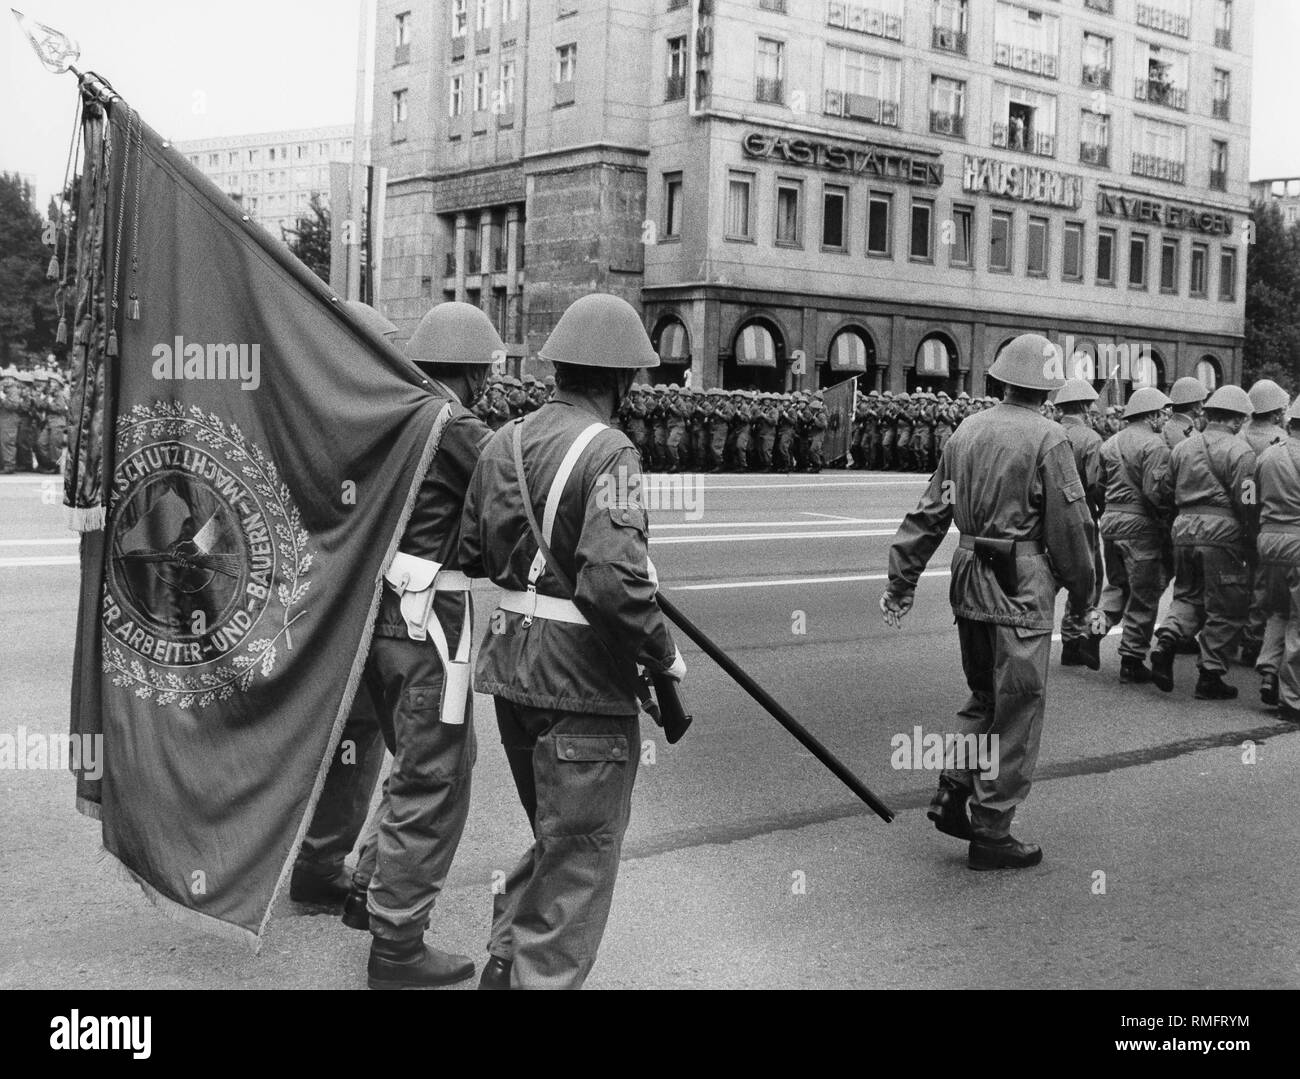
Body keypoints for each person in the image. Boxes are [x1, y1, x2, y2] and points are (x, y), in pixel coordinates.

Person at [460, 293, 685, 990]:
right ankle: (533, 975)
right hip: (581, 683)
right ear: (621, 380)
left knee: (560, 839)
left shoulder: (502, 440)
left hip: (511, 670)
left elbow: (472, 550)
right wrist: (665, 654)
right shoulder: (609, 448)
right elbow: (613, 583)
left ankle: (504, 958)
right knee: (582, 854)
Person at [880, 333, 1098, 870]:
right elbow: (1070, 525)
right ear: (1046, 388)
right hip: (1020, 583)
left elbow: (930, 511)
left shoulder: (966, 431)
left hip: (970, 574)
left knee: (982, 696)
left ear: (1000, 379)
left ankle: (954, 785)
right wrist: (1084, 591)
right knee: (1019, 707)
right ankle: (993, 830)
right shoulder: (1050, 438)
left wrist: (901, 581)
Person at [290, 302, 399, 911]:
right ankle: (324, 860)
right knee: (362, 736)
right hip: (355, 605)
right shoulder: (374, 417)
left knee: (328, 739)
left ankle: (313, 856)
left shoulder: (303, 405)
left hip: (305, 602)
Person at [1146, 385, 1255, 700]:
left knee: (1188, 595)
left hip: (1183, 528)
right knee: (1226, 605)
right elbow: (1247, 500)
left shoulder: (1183, 448)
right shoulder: (1240, 451)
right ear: (1235, 420)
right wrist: (1250, 536)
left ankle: (1166, 641)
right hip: (1222, 533)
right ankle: (1210, 674)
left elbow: (1165, 490)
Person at [1098, 387, 1174, 684]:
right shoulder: (1155, 446)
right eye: (1163, 414)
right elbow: (1156, 494)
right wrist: (1167, 519)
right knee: (1144, 595)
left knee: (1115, 587)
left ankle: (1087, 634)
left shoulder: (1110, 443)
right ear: (1152, 415)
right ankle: (1131, 660)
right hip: (1140, 525)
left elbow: (1097, 484)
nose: (1165, 419)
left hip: (1111, 521)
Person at [1254, 396, 1300, 723]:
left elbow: (1250, 495)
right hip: (1298, 540)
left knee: (1277, 610)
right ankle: (1292, 699)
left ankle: (1268, 671)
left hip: (1268, 540)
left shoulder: (1268, 453)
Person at [1055, 378, 1106, 670]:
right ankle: (1072, 640)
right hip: (1080, 514)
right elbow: (1096, 482)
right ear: (1085, 407)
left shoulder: (1048, 431)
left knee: (1049, 576)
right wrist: (1098, 507)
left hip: (1046, 514)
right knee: (1087, 578)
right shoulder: (1090, 438)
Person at [1240, 379, 1290, 668]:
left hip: (1241, 515)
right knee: (1261, 583)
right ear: (1275, 411)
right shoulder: (1281, 439)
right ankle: (1254, 635)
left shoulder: (1241, 435)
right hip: (1272, 519)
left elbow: (1247, 488)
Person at [1164, 376, 1206, 450]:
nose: (1203, 405)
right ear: (1194, 407)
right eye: (1201, 401)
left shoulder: (1162, 429)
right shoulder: (1196, 438)